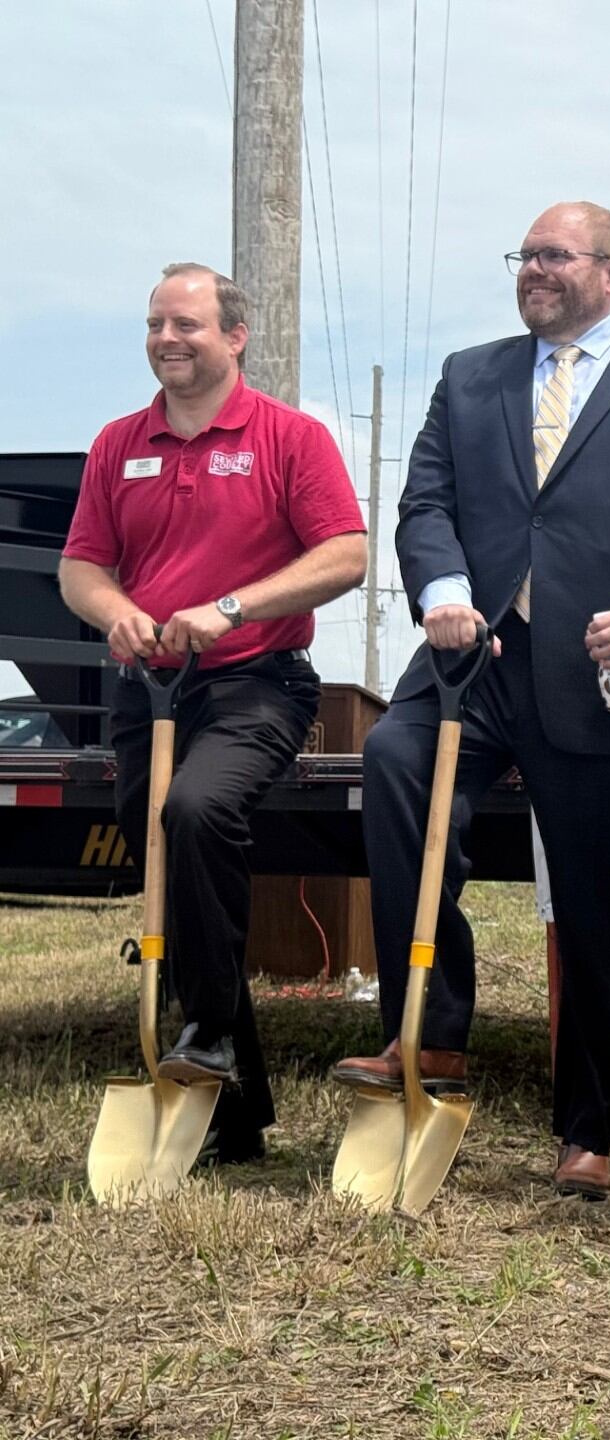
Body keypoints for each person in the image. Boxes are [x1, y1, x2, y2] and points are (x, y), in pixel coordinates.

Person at [331, 202, 610, 1200]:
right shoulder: (470, 375)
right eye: (525, 256)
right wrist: (444, 592)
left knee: (599, 898)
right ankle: (429, 1037)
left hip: (608, 673)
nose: (532, 271)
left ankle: (587, 1129)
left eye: (552, 256)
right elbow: (424, 502)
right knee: (394, 764)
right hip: (477, 659)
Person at [60, 263, 367, 1162]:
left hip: (255, 680)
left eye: (186, 324)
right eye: (156, 322)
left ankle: (210, 1038)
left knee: (195, 811)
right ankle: (229, 1100)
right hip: (148, 691)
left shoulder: (288, 437)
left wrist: (230, 607)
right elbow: (82, 566)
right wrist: (116, 610)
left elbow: (345, 554)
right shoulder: (120, 443)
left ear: (235, 337)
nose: (167, 338)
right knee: (164, 864)